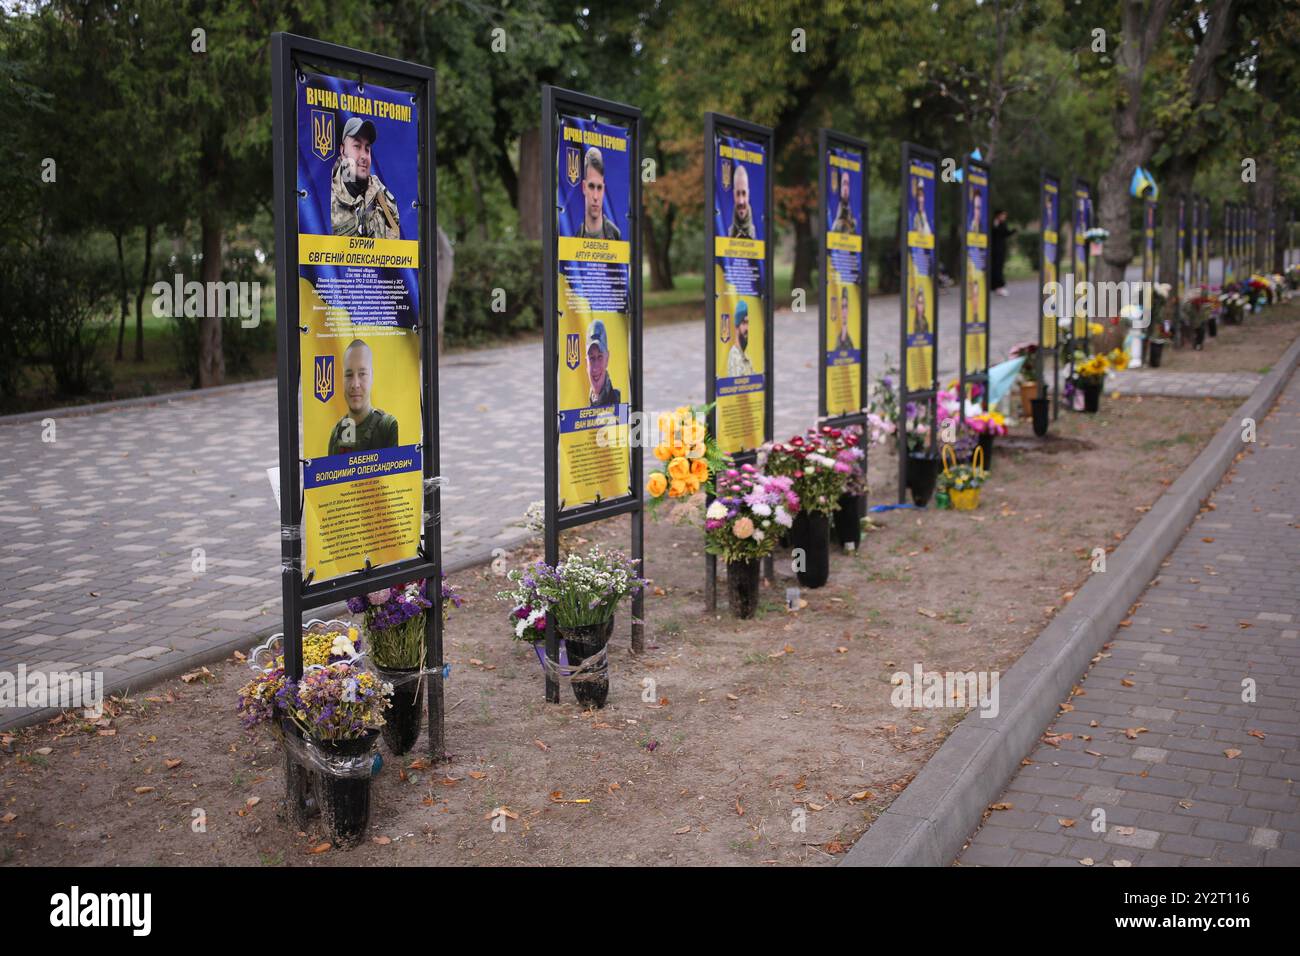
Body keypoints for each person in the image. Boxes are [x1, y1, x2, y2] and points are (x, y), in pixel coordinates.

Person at [331, 117, 401, 240]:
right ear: (342, 151)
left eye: (367, 149)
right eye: (357, 146)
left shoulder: (383, 198)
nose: (364, 155)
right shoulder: (327, 199)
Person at [327, 339, 400, 456]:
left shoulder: (387, 426)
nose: (355, 384)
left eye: (362, 374)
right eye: (349, 375)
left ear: (372, 376)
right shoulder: (336, 433)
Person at [578, 147, 621, 240]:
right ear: (584, 187)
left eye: (599, 187)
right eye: (591, 186)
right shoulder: (576, 236)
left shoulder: (615, 234)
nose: (595, 196)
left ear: (603, 189)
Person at [585, 319, 621, 407]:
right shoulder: (581, 407)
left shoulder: (620, 401)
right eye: (592, 358)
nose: (595, 367)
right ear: (586, 363)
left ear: (607, 358)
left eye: (600, 357)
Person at [727, 300, 755, 376]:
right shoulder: (735, 357)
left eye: (748, 323)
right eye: (743, 323)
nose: (747, 328)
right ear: (737, 328)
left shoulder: (745, 356)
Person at [991, 209, 1016, 296]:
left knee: (999, 268)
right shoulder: (994, 223)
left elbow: (1005, 233)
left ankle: (997, 287)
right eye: (1003, 215)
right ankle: (998, 287)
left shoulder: (1003, 224)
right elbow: (994, 232)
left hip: (1001, 249)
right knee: (995, 268)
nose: (1004, 217)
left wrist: (1013, 231)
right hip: (994, 250)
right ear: (998, 215)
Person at [729, 164, 757, 239]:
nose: (741, 201)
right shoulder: (727, 234)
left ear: (748, 194)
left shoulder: (758, 234)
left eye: (744, 193)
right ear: (733, 195)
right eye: (738, 194)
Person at [832, 167, 857, 234]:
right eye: (844, 184)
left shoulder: (852, 208)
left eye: (847, 184)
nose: (846, 189)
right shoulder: (835, 208)